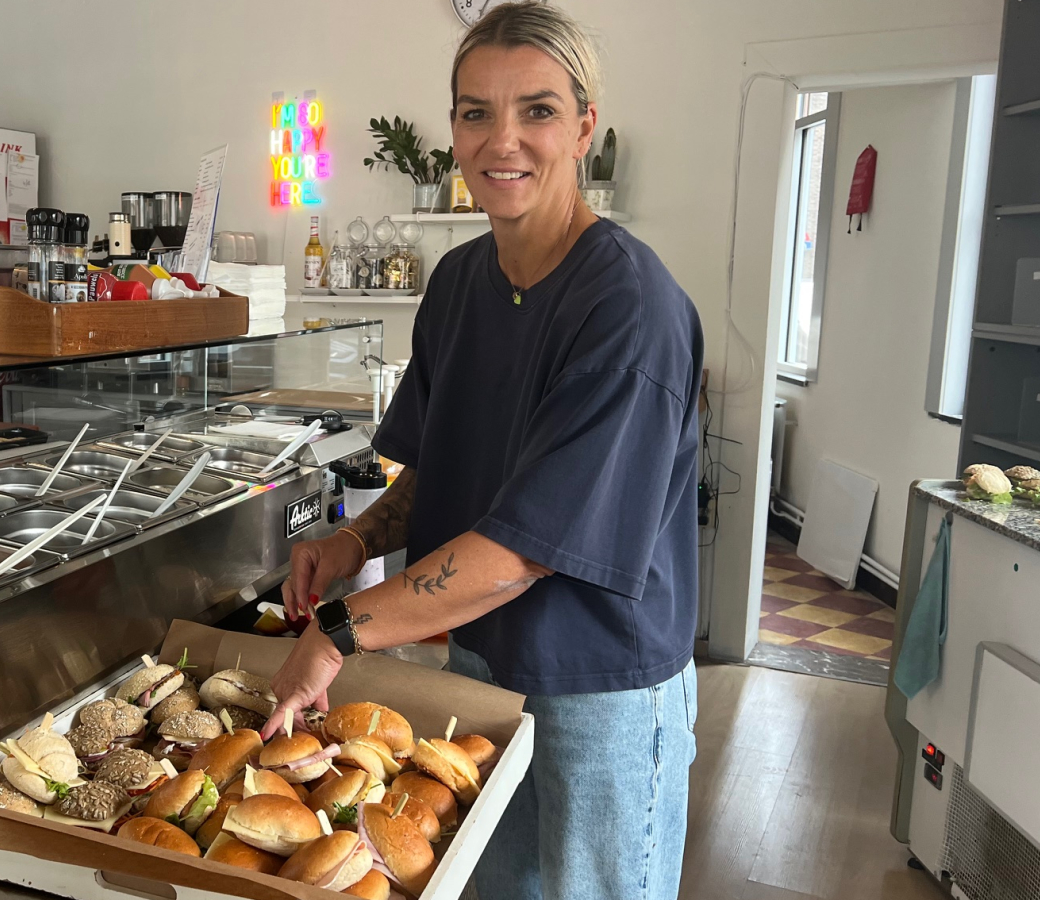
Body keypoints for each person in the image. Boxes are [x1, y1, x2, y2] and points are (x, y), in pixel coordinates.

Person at [260, 4, 703, 899]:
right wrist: (349, 536)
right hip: (480, 671)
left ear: (584, 126)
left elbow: (522, 552)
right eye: (476, 113)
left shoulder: (627, 308)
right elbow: (426, 464)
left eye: (537, 110)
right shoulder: (460, 281)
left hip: (601, 690)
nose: (503, 141)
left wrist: (337, 634)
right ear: (454, 130)